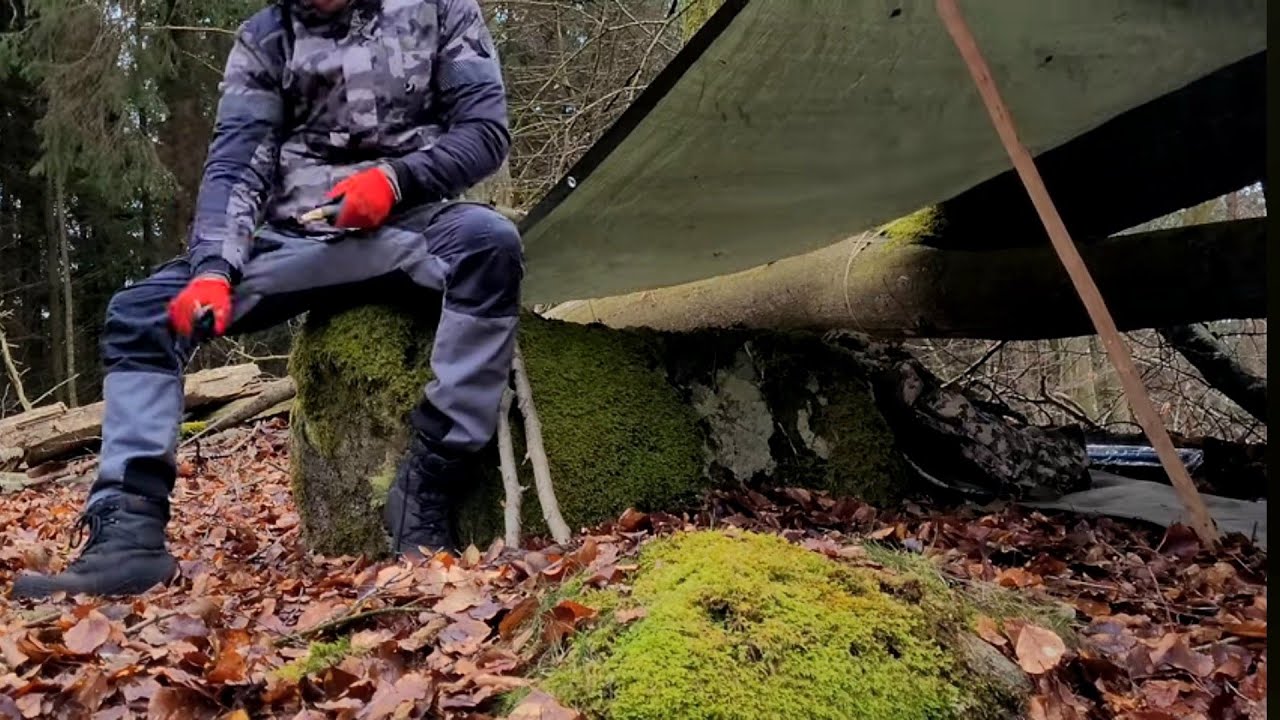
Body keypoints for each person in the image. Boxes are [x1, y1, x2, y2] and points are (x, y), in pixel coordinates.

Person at [12, 0, 521, 599]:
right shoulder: (265, 38)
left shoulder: (440, 9)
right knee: (144, 313)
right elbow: (235, 167)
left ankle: (429, 483)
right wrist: (211, 269)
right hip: (297, 240)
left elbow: (485, 133)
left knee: (492, 246)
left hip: (417, 226)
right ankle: (128, 536)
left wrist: (394, 181)